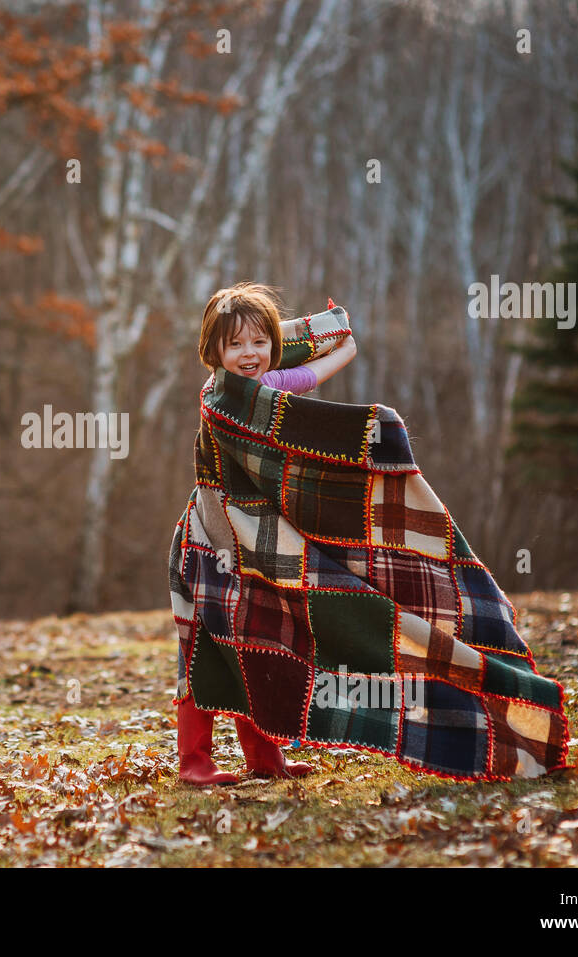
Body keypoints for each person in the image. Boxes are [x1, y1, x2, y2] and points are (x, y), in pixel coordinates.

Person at [176, 282, 357, 786]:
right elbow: (299, 372)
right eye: (233, 345)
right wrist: (342, 342)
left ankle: (265, 760)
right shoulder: (223, 395)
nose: (248, 354)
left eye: (258, 343)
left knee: (257, 644)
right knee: (206, 651)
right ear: (213, 352)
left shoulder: (262, 382)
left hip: (253, 539)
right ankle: (195, 763)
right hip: (211, 543)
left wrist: (338, 333)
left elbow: (296, 361)